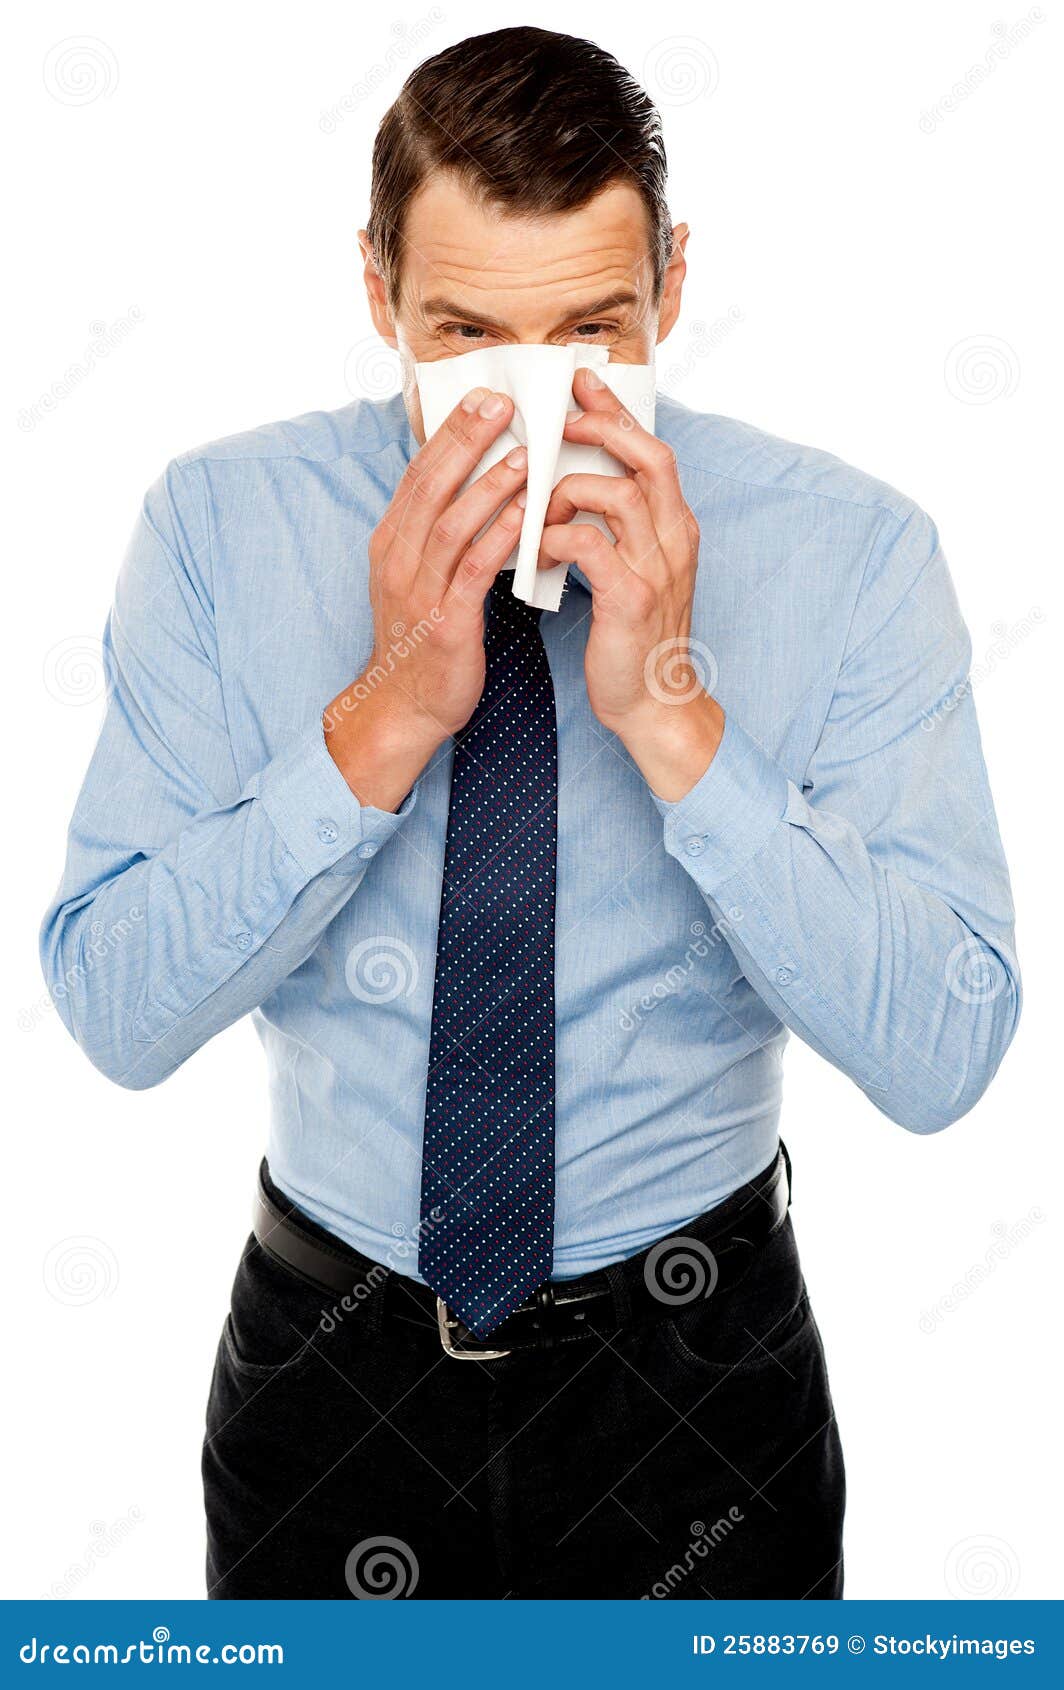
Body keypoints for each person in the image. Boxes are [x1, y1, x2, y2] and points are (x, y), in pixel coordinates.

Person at [40, 26, 1020, 1599]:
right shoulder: (219, 528)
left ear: (673, 289)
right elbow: (114, 1007)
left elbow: (945, 1053)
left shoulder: (854, 553)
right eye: (467, 332)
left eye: (591, 331)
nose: (533, 399)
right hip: (329, 1373)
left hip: (702, 1383)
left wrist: (675, 719)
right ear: (378, 294)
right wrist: (382, 717)